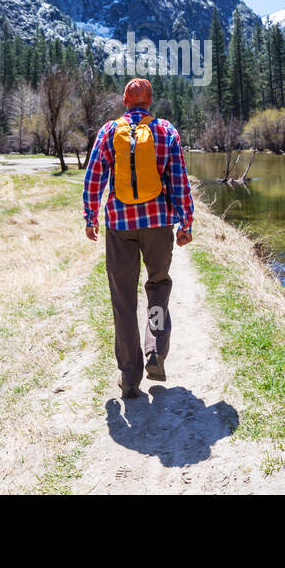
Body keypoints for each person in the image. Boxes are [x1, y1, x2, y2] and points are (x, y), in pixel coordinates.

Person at [82, 77, 193, 399]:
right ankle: (154, 349)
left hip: (120, 226)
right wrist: (185, 222)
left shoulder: (108, 131)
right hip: (158, 225)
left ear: (125, 101)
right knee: (157, 285)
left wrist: (90, 218)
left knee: (123, 299)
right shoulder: (165, 131)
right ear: (150, 101)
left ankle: (129, 377)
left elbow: (93, 178)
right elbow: (179, 182)